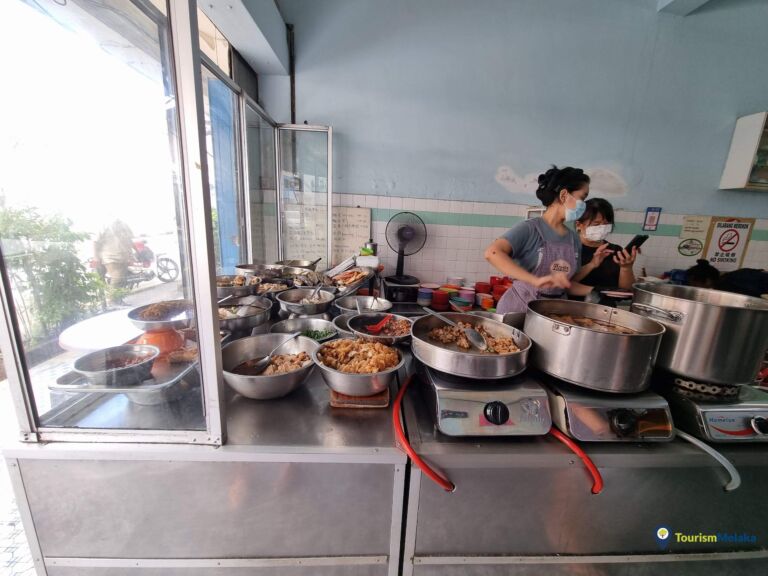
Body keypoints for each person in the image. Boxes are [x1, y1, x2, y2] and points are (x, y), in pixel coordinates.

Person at [484, 165, 595, 314]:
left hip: (552, 315)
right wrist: (534, 280)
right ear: (564, 195)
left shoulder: (573, 239)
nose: (584, 205)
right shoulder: (530, 229)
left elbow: (565, 284)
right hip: (518, 311)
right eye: (583, 197)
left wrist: (596, 292)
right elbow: (492, 253)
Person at [572, 198, 637, 290]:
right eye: (596, 224)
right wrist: (591, 265)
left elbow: (626, 290)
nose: (602, 228)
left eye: (606, 224)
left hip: (606, 304)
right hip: (573, 303)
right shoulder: (568, 248)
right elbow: (563, 285)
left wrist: (626, 268)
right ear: (579, 225)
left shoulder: (616, 251)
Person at [94, 219, 135, 291]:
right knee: (117, 278)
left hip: (123, 257)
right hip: (110, 257)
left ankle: (118, 300)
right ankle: (112, 300)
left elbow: (129, 241)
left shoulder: (124, 225)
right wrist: (96, 257)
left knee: (121, 279)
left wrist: (131, 256)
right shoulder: (104, 225)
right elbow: (95, 242)